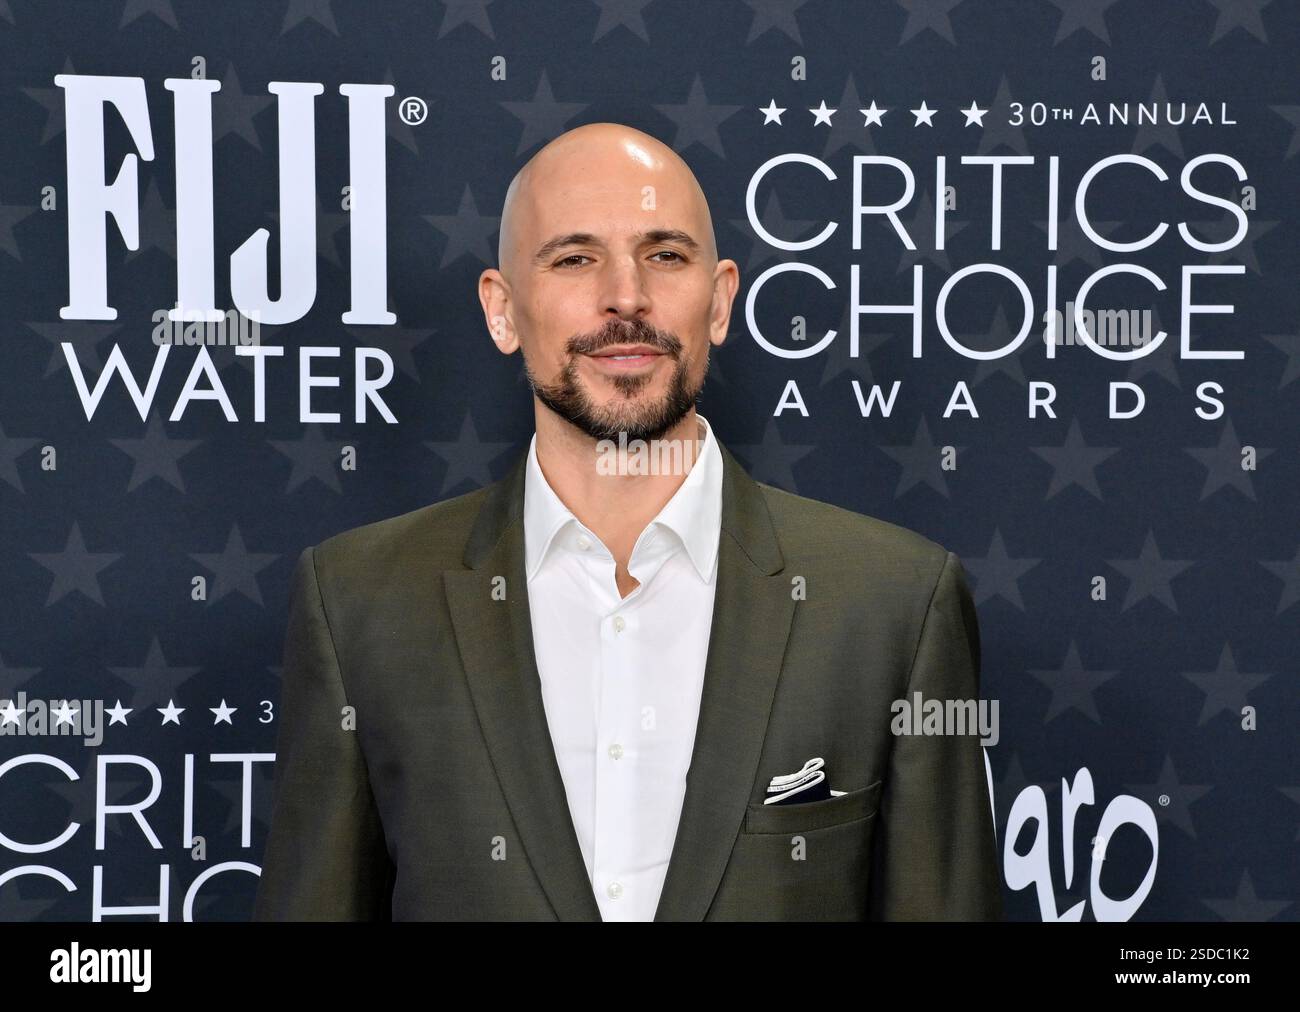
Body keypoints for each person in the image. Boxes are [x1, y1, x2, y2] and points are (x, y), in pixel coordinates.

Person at [253, 122, 1001, 921]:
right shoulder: (360, 601)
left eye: (665, 255)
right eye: (575, 258)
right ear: (502, 311)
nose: (627, 296)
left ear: (718, 302)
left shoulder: (892, 603)